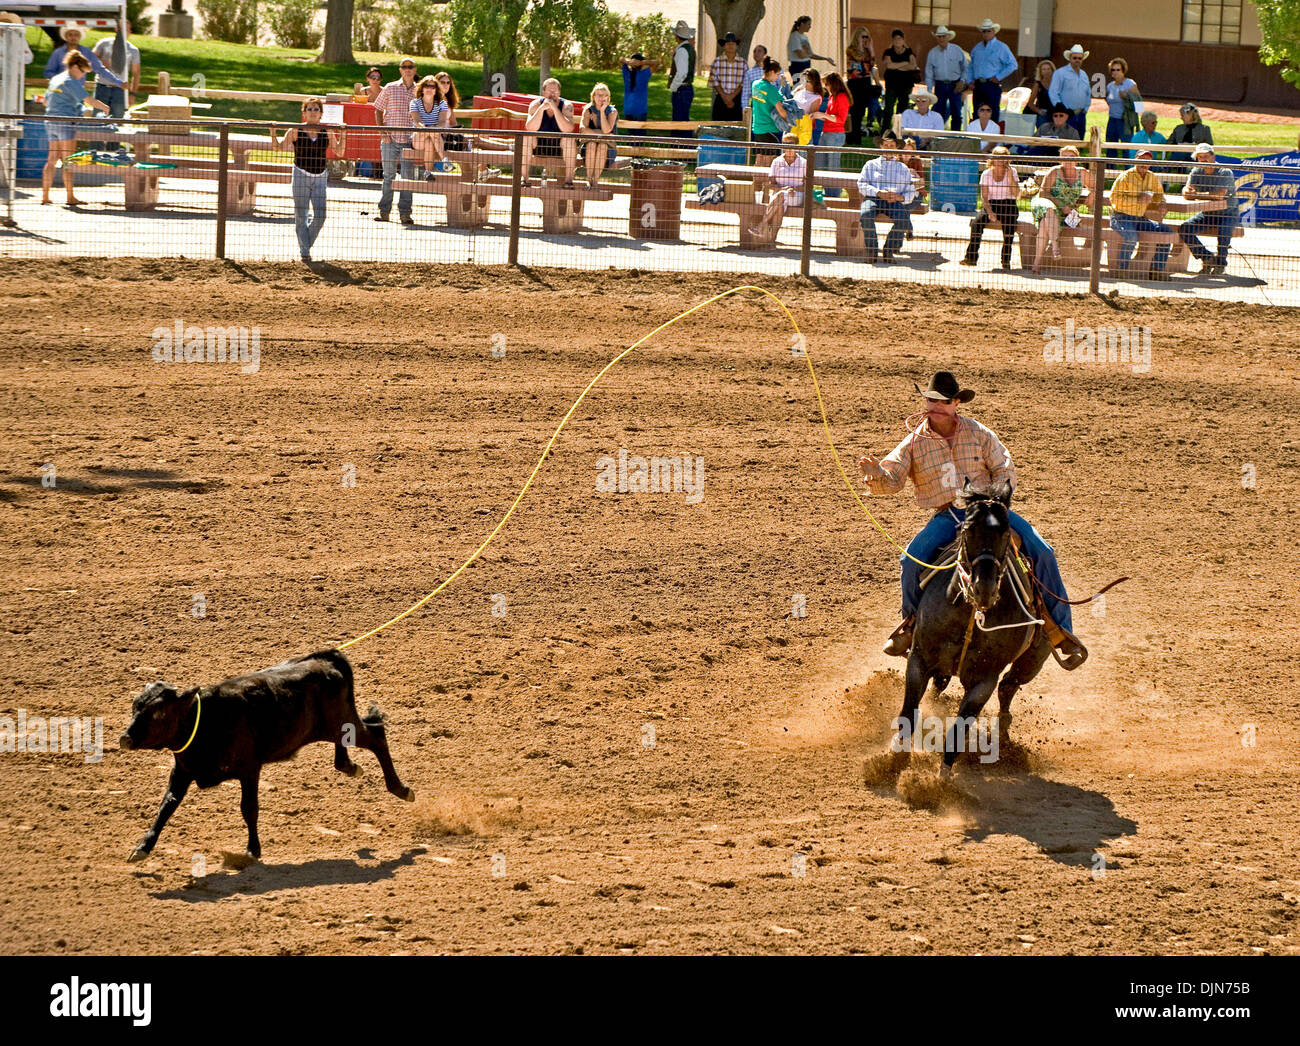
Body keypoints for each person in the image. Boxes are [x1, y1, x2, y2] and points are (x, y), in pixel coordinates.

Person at [859, 371, 1087, 667]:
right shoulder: (913, 442)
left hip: (988, 510)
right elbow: (893, 480)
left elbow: (1005, 468)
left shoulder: (979, 433)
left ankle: (1061, 632)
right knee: (909, 562)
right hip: (947, 514)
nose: (935, 405)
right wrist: (877, 475)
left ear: (956, 403)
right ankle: (912, 627)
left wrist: (995, 500)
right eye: (931, 399)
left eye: (942, 401)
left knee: (1043, 552)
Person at [270, 97, 346, 263]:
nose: (313, 112)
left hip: (320, 176)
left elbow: (339, 152)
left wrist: (344, 134)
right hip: (300, 174)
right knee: (301, 215)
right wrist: (273, 132)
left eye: (316, 109)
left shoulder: (328, 131)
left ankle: (305, 244)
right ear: (304, 113)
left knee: (321, 215)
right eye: (309, 109)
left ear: (321, 114)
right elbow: (278, 148)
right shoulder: (295, 131)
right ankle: (305, 252)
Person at [41, 51, 109, 206]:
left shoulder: (55, 79)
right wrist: (104, 107)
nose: (82, 76)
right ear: (75, 66)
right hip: (65, 122)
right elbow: (88, 100)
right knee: (68, 161)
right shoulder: (71, 81)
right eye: (83, 72)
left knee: (51, 160)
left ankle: (45, 196)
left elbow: (46, 102)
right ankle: (70, 197)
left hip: (50, 122)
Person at [1029, 144, 1093, 273]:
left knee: (1044, 224)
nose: (1068, 160)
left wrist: (1092, 193)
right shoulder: (1054, 171)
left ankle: (1036, 264)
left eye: (1071, 157)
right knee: (1049, 210)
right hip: (1045, 203)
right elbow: (1043, 192)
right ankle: (1055, 247)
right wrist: (1061, 205)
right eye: (1064, 157)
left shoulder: (1083, 173)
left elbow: (1096, 187)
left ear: (1077, 159)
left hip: (1066, 211)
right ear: (1060, 159)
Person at [1110, 149, 1172, 279]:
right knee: (1131, 237)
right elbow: (1114, 199)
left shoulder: (1151, 177)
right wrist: (1137, 199)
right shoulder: (1125, 176)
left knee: (1167, 233)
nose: (1144, 164)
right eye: (1141, 160)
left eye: (1147, 161)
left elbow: (1159, 195)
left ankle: (1156, 271)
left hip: (1140, 219)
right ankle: (1122, 270)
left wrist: (1161, 203)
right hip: (1121, 217)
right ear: (1135, 160)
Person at [1179, 143, 1238, 276]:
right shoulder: (1196, 171)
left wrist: (1197, 195)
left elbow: (1220, 195)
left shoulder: (1225, 172)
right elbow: (1186, 192)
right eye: (1200, 157)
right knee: (1185, 228)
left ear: (1213, 156)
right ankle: (1207, 257)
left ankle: (1220, 264)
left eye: (1206, 156)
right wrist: (1187, 191)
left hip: (1228, 213)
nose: (1203, 160)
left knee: (1224, 232)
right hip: (1208, 213)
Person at [857, 133, 916, 263]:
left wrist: (900, 197)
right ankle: (872, 252)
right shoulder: (870, 165)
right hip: (873, 198)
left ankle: (888, 251)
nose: (888, 148)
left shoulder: (903, 168)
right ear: (881, 146)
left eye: (892, 145)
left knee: (903, 219)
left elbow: (911, 190)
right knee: (866, 215)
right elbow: (861, 184)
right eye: (886, 145)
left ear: (896, 148)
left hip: (894, 201)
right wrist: (878, 192)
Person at [373, 57, 418, 224]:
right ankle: (384, 211)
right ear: (400, 70)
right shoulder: (391, 88)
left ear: (414, 70)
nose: (407, 69)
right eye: (404, 66)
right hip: (389, 138)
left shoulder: (419, 91)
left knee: (407, 177)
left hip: (409, 140)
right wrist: (382, 131)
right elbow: (377, 109)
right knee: (388, 176)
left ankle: (405, 213)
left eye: (410, 66)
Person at [962, 145, 1020, 270]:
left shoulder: (1013, 172)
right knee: (977, 223)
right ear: (992, 159)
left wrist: (1010, 177)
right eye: (997, 158)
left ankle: (1005, 261)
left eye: (1003, 158)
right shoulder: (986, 174)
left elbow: (1017, 194)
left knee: (1009, 228)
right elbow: (984, 197)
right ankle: (971, 257)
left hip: (1008, 203)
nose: (999, 161)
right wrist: (989, 212)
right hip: (992, 203)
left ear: (1007, 160)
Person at [520, 77, 577, 187]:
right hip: (539, 145)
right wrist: (541, 109)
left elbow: (568, 129)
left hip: (559, 147)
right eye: (550, 91)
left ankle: (569, 180)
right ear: (543, 92)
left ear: (559, 92)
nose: (553, 94)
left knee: (569, 139)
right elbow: (530, 128)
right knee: (527, 138)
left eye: (555, 91)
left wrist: (555, 109)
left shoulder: (566, 106)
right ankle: (524, 178)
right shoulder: (535, 105)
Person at [748, 133, 805, 242]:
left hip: (796, 195)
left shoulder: (804, 163)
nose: (788, 147)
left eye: (791, 144)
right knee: (779, 206)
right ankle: (772, 241)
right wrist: (782, 189)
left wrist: (794, 189)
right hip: (778, 196)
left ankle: (761, 225)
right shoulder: (776, 161)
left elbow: (807, 185)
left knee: (781, 197)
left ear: (797, 146)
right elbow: (771, 185)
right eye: (785, 144)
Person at [42, 25, 125, 89]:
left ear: (79, 37)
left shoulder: (86, 52)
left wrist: (119, 83)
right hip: (60, 91)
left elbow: (100, 69)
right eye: (70, 34)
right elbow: (48, 72)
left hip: (78, 92)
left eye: (76, 35)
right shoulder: (58, 53)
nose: (73, 37)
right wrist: (61, 81)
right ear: (66, 37)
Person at [968, 18, 1017, 121]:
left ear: (994, 32)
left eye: (988, 31)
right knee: (977, 112)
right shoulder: (977, 48)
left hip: (992, 84)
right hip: (978, 84)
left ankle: (992, 136)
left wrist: (999, 76)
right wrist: (969, 80)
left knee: (993, 112)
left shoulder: (1001, 47)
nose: (986, 33)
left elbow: (1012, 64)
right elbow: (971, 66)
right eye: (984, 31)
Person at [90, 19, 140, 122]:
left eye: (128, 30)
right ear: (116, 29)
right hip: (102, 87)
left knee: (117, 121)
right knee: (97, 119)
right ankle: (96, 138)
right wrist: (103, 63)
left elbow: (136, 73)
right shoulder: (104, 43)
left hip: (120, 90)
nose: (126, 32)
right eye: (122, 29)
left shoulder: (133, 50)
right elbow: (90, 59)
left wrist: (132, 94)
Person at [924, 26, 967, 132]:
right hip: (940, 85)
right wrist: (929, 91)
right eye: (939, 37)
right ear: (936, 38)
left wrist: (962, 81)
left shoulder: (957, 50)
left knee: (956, 113)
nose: (941, 39)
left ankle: (955, 137)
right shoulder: (932, 53)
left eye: (943, 36)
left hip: (955, 84)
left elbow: (966, 68)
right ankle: (938, 136)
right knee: (938, 112)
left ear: (948, 37)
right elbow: (929, 73)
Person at [813, 72, 850, 189]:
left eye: (827, 84)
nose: (825, 86)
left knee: (832, 166)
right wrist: (820, 116)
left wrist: (822, 115)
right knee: (820, 164)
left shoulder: (842, 97)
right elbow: (830, 115)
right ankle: (826, 190)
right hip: (826, 132)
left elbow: (840, 119)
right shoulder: (832, 96)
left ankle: (834, 192)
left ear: (833, 84)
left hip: (835, 135)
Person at [579, 82, 618, 187]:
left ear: (607, 97)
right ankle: (589, 179)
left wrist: (602, 111)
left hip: (607, 146)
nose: (600, 98)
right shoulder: (588, 110)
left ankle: (595, 181)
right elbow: (582, 129)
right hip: (589, 144)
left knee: (602, 146)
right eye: (598, 95)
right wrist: (599, 133)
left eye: (603, 95)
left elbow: (606, 130)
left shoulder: (612, 111)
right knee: (591, 145)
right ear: (593, 96)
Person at [845, 28, 880, 144]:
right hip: (854, 83)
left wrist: (871, 49)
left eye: (867, 37)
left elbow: (872, 65)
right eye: (862, 37)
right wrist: (862, 46)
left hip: (865, 82)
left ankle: (857, 137)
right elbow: (859, 59)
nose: (865, 39)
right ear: (857, 37)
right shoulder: (851, 50)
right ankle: (851, 137)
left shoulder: (867, 51)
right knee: (853, 111)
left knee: (861, 111)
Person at [1049, 44, 1091, 139]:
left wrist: (1086, 108)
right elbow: (1053, 92)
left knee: (1079, 140)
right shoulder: (1060, 73)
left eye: (1080, 58)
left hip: (1081, 115)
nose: (1077, 60)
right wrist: (1062, 111)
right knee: (1065, 142)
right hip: (1066, 115)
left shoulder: (1084, 74)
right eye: (1074, 58)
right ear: (1069, 58)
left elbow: (1088, 93)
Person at [409, 75, 448, 176]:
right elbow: (417, 122)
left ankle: (428, 172)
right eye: (426, 86)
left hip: (435, 137)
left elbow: (442, 122)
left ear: (436, 90)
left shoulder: (442, 103)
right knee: (432, 134)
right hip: (418, 138)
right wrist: (430, 129)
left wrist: (433, 130)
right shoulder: (414, 103)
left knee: (429, 142)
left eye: (433, 86)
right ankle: (445, 160)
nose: (429, 88)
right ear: (422, 89)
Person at [880, 29, 917, 130]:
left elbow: (913, 66)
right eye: (895, 39)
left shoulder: (909, 52)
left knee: (902, 108)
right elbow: (889, 65)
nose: (898, 41)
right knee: (888, 108)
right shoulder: (888, 52)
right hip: (892, 84)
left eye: (900, 39)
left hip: (906, 84)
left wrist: (896, 66)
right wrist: (905, 63)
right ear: (892, 40)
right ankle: (885, 130)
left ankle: (898, 130)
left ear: (904, 40)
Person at [749, 58, 789, 149]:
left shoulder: (755, 84)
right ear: (771, 72)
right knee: (769, 159)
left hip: (757, 128)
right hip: (770, 129)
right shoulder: (771, 89)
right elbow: (781, 111)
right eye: (777, 74)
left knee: (759, 158)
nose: (777, 78)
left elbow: (766, 98)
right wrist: (790, 120)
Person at [1104, 58, 1139, 159]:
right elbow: (1108, 100)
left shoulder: (1130, 84)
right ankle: (1109, 171)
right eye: (1113, 70)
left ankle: (1128, 171)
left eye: (1118, 70)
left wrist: (1127, 97)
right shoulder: (1110, 86)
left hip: (1125, 122)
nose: (1115, 72)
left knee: (1126, 149)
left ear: (1123, 70)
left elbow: (1139, 104)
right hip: (1112, 120)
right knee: (1110, 148)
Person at [707, 32, 746, 122]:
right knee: (718, 125)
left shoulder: (743, 63)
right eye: (728, 44)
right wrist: (725, 97)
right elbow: (713, 80)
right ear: (724, 46)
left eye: (733, 43)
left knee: (736, 126)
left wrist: (732, 96)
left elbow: (744, 83)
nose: (730, 46)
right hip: (721, 98)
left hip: (736, 99)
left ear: (736, 46)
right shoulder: (717, 61)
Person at [668, 21, 697, 138]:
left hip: (681, 89)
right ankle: (684, 152)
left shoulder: (681, 51)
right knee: (683, 120)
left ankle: (681, 151)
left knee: (679, 123)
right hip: (686, 88)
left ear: (677, 36)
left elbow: (681, 73)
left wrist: (673, 87)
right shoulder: (689, 49)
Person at [434, 72, 466, 152]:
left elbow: (453, 123)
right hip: (439, 138)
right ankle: (502, 148)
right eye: (443, 82)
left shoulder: (448, 101)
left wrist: (457, 134)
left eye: (448, 83)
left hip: (450, 136)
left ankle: (502, 148)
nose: (446, 85)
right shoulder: (433, 100)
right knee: (474, 140)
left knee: (472, 140)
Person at [621, 53, 657, 123]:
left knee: (630, 133)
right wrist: (642, 62)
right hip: (640, 110)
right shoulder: (644, 74)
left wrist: (629, 62)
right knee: (640, 133)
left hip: (628, 109)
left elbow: (621, 60)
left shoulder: (626, 73)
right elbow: (656, 62)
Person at [792, 68, 824, 145]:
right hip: (791, 127)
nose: (804, 83)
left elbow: (811, 117)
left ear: (814, 82)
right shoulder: (799, 90)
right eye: (803, 80)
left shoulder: (816, 97)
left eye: (807, 81)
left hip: (803, 131)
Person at [1024, 59, 1056, 129]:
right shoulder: (1038, 85)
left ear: (1052, 70)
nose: (1046, 71)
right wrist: (1039, 111)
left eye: (1048, 69)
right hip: (1043, 115)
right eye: (1044, 69)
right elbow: (1030, 103)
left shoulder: (1057, 84)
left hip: (1055, 114)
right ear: (1040, 72)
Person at [741, 45, 767, 112]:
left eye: (759, 51)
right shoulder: (749, 73)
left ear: (765, 55)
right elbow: (745, 95)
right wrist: (745, 112)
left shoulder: (774, 70)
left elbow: (782, 88)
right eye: (754, 51)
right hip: (756, 106)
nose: (756, 53)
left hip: (773, 105)